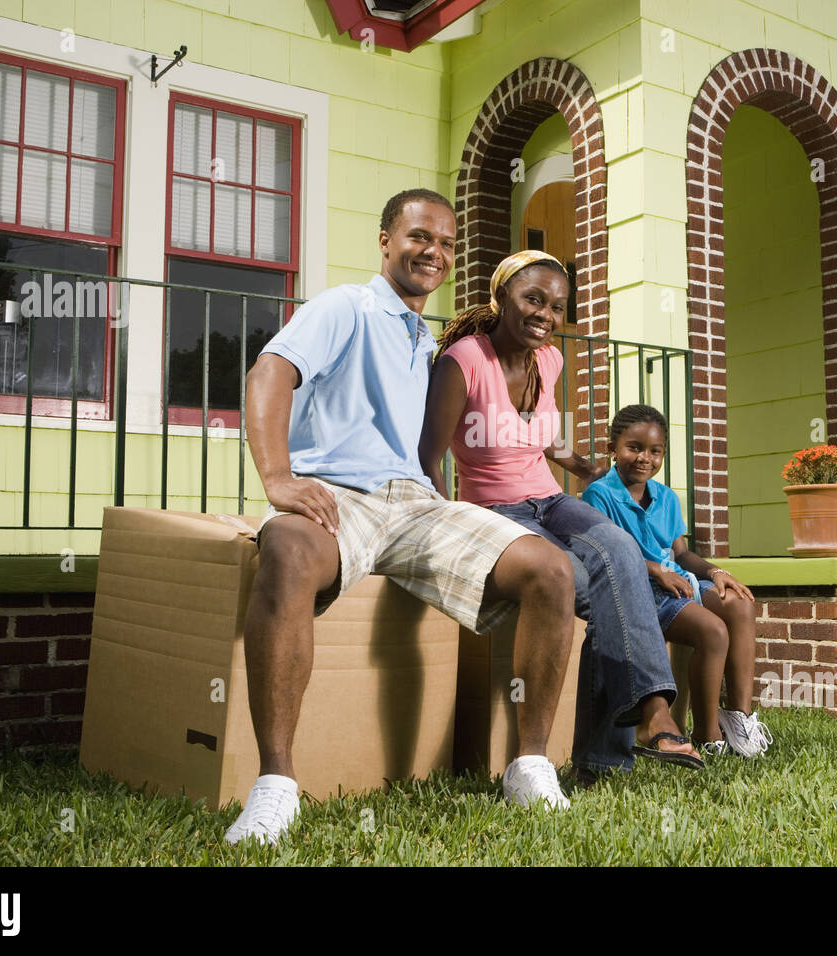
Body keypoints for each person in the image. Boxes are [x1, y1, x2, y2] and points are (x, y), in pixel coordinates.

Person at [228, 191, 578, 846]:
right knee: (286, 551)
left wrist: (453, 502)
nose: (434, 253)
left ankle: (529, 766)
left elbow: (431, 444)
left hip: (417, 505)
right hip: (343, 494)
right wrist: (279, 476)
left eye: (447, 244)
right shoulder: (345, 307)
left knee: (551, 570)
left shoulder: (427, 340)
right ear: (386, 240)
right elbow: (269, 372)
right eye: (420, 237)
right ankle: (276, 785)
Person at [419, 250, 703, 784]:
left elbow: (544, 435)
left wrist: (585, 468)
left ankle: (647, 718)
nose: (545, 315)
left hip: (550, 499)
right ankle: (622, 738)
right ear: (502, 296)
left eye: (556, 306)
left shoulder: (548, 359)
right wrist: (442, 522)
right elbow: (429, 456)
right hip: (492, 507)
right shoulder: (464, 360)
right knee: (584, 579)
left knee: (618, 549)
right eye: (533, 299)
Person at [582, 404, 773, 757]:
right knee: (713, 632)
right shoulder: (600, 494)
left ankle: (740, 720)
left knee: (740, 605)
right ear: (612, 449)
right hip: (641, 589)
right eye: (634, 448)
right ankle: (707, 734)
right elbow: (600, 552)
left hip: (680, 581)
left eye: (655, 451)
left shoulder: (667, 497)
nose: (645, 459)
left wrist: (717, 573)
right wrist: (656, 570)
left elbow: (681, 553)